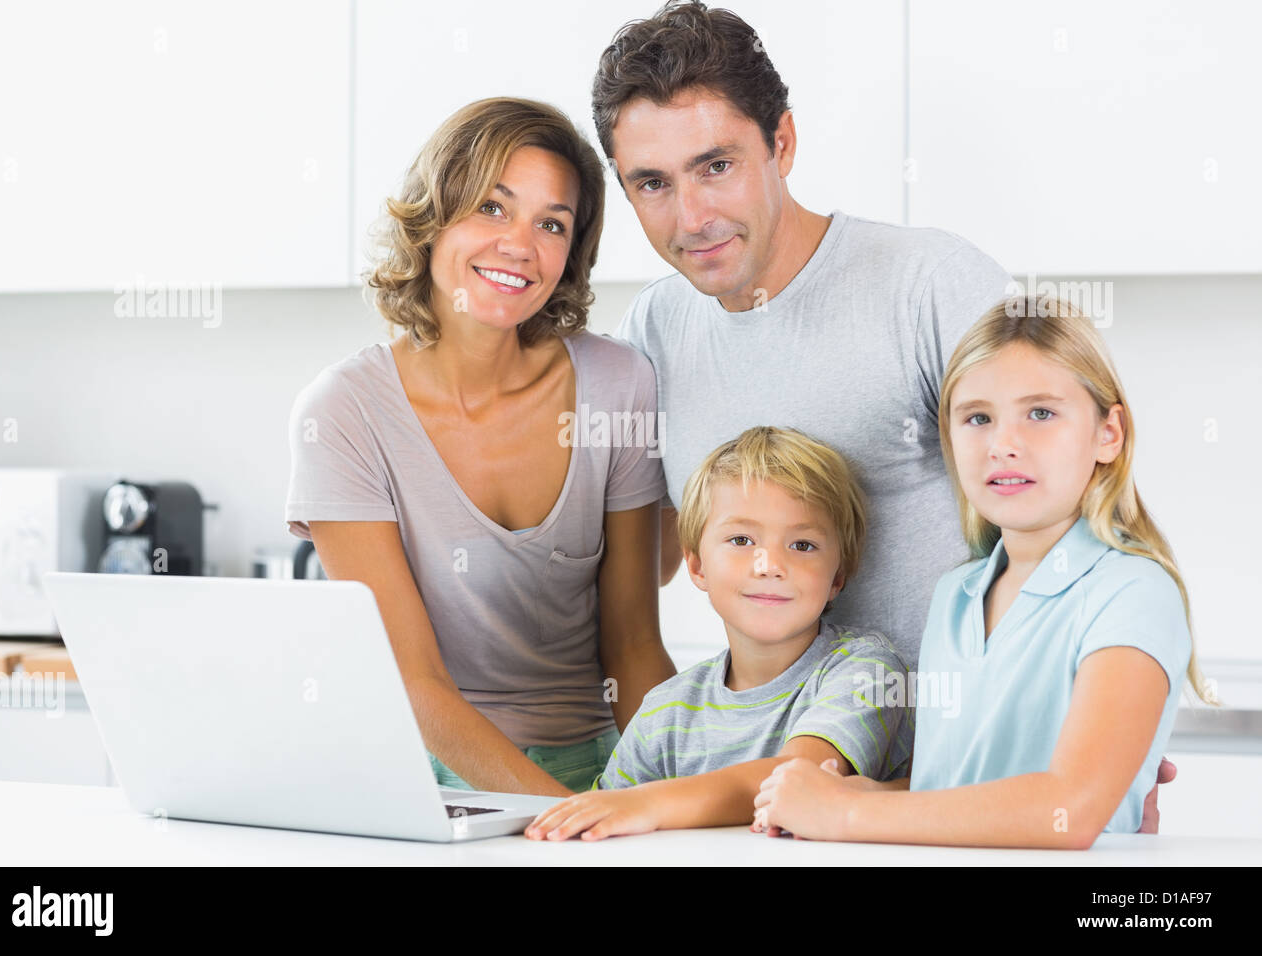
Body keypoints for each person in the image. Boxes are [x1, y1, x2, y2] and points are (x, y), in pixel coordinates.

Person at [592, 0, 1174, 826]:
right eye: (652, 183)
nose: (691, 218)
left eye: (716, 165)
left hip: (958, 787)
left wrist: (1103, 719)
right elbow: (647, 561)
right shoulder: (656, 328)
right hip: (791, 804)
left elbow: (1067, 475)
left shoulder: (928, 283)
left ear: (781, 143)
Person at [284, 97, 675, 797]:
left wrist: (675, 793)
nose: (520, 245)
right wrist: (564, 821)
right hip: (423, 782)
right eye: (492, 208)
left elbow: (634, 645)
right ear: (433, 216)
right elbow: (415, 682)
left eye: (550, 223)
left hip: (601, 766)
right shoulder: (343, 412)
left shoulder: (619, 386)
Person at [751, 295, 1217, 848]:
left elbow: (1070, 807)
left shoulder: (1133, 593)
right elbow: (953, 791)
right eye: (978, 418)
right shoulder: (957, 593)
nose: (1004, 445)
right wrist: (850, 794)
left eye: (1041, 413)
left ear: (1107, 433)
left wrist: (845, 817)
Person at [525, 426, 912, 841]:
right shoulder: (664, 712)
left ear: (838, 577)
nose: (769, 564)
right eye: (742, 539)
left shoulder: (867, 671)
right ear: (697, 567)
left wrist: (650, 802)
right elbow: (601, 819)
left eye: (802, 545)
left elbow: (798, 782)